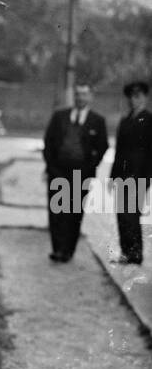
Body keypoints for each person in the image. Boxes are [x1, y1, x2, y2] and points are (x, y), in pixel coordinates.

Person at [43, 83, 108, 263]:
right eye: (78, 94)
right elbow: (48, 143)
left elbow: (103, 146)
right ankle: (57, 249)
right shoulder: (59, 117)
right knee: (56, 212)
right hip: (58, 173)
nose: (80, 98)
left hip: (81, 175)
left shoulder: (97, 120)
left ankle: (68, 251)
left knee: (74, 213)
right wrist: (51, 167)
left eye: (84, 94)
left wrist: (90, 167)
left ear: (90, 97)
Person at [110, 80, 152, 265]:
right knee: (121, 214)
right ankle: (126, 251)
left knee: (132, 214)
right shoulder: (125, 121)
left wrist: (147, 177)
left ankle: (136, 253)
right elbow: (119, 151)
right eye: (131, 97)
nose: (134, 100)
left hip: (139, 175)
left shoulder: (149, 120)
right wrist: (113, 176)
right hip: (122, 175)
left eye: (138, 96)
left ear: (145, 97)